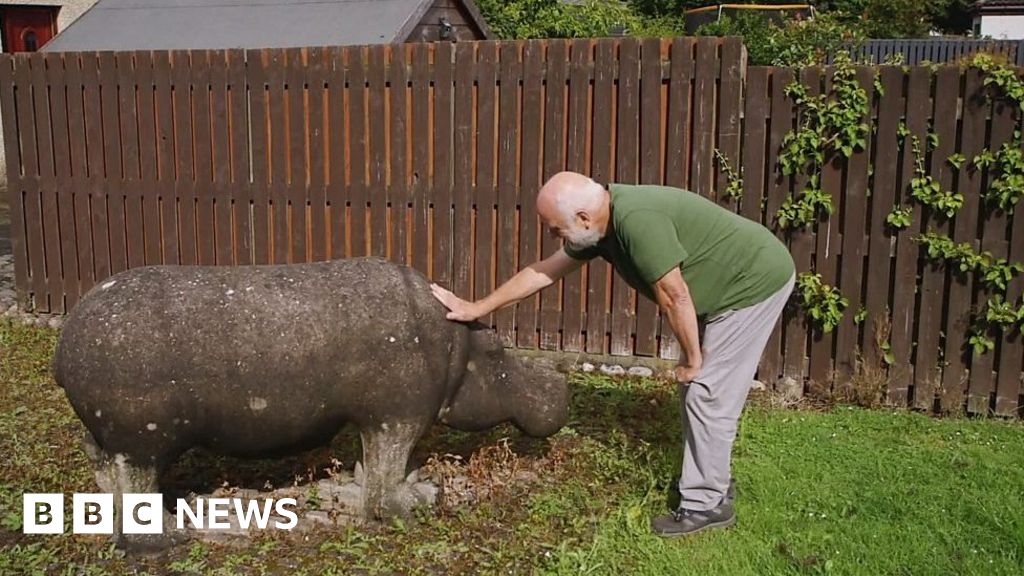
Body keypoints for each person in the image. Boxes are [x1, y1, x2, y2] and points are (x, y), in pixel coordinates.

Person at [430, 171, 795, 537]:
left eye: (556, 229)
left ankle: (706, 504)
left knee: (705, 391)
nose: (553, 236)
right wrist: (477, 307)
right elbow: (542, 272)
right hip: (729, 282)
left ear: (583, 218)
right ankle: (711, 479)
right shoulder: (600, 227)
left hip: (754, 282)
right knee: (700, 390)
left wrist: (693, 359)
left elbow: (675, 295)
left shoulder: (637, 222)